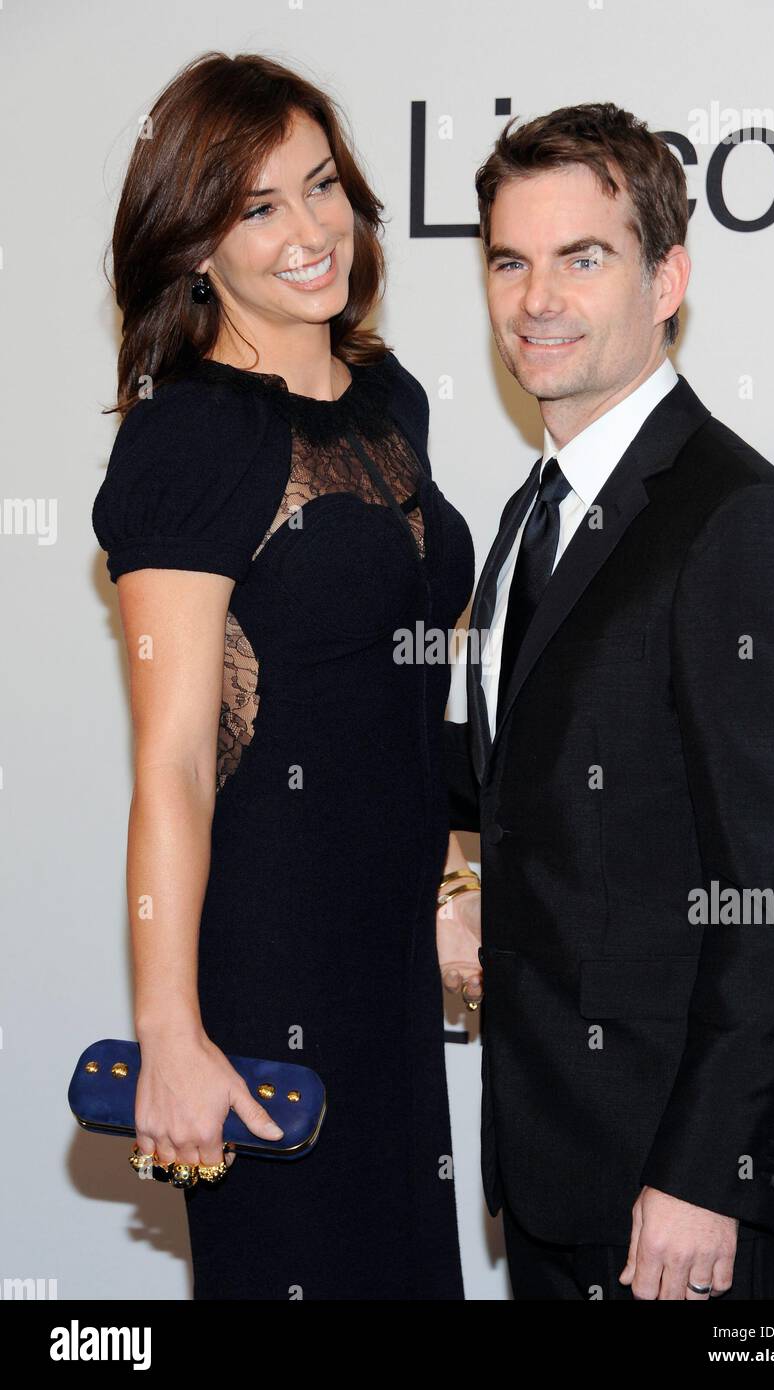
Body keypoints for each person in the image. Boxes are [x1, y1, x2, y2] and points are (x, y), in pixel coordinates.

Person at [441, 102, 774, 1300]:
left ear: (665, 277)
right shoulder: (528, 517)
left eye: (583, 258)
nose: (536, 300)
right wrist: (452, 889)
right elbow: (505, 795)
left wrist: (703, 1175)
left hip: (676, 1194)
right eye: (509, 262)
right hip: (557, 1162)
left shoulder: (738, 525)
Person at [91, 51, 479, 1300]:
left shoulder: (387, 399)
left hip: (387, 962)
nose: (312, 232)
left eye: (320, 187)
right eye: (257, 208)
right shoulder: (194, 437)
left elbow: (407, 704)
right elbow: (172, 764)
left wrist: (449, 885)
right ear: (194, 243)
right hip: (270, 959)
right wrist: (170, 1032)